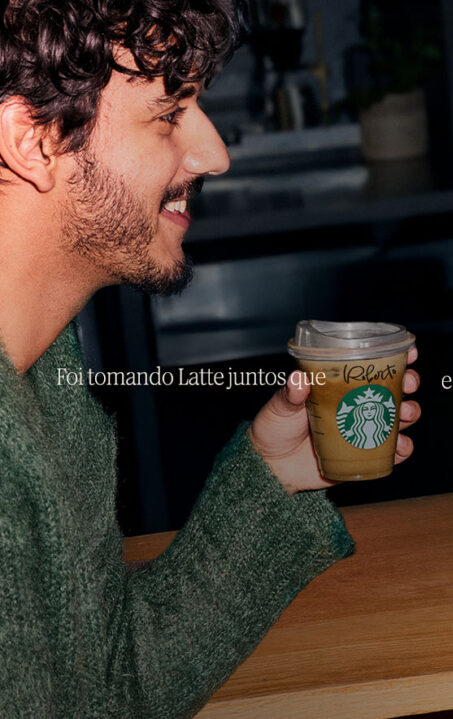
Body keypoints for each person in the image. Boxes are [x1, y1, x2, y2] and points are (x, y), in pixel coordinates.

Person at [0, 0, 420, 716]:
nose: (216, 153)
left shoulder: (44, 384)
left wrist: (273, 477)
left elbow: (102, 686)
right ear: (33, 140)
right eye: (170, 113)